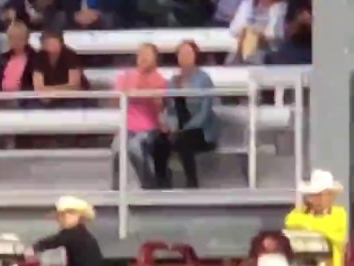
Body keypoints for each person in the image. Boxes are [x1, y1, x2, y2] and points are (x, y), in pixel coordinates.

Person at [151, 41, 219, 190]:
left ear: (196, 56)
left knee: (183, 140)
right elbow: (169, 108)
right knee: (158, 141)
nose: (185, 57)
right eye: (182, 53)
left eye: (189, 53)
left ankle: (192, 182)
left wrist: (185, 129)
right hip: (177, 127)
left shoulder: (204, 80)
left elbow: (205, 112)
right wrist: (167, 125)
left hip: (201, 130)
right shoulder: (173, 81)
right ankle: (161, 182)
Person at [24, 196, 106, 266]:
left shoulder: (76, 234)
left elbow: (56, 240)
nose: (63, 218)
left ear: (79, 217)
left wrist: (34, 248)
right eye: (61, 215)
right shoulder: (81, 235)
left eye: (69, 214)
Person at [115, 43, 167, 190]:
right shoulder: (124, 76)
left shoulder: (160, 80)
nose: (143, 57)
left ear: (155, 59)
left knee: (134, 146)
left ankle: (149, 185)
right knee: (116, 149)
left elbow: (159, 106)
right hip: (127, 127)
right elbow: (117, 101)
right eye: (141, 53)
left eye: (147, 54)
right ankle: (116, 191)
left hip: (149, 128)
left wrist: (143, 86)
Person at [285, 170, 349, 266]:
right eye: (315, 195)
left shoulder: (339, 213)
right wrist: (316, 226)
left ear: (332, 196)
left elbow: (335, 233)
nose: (319, 199)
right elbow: (289, 221)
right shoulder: (298, 213)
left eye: (323, 194)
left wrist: (307, 225)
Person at [32, 29, 86, 103]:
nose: (52, 47)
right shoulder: (39, 57)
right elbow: (38, 87)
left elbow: (74, 86)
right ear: (43, 45)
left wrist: (51, 91)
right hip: (47, 98)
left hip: (71, 97)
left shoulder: (70, 55)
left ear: (61, 43)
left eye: (54, 44)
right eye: (48, 44)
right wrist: (49, 93)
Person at [229, 0, 285, 64]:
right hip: (240, 54)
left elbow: (275, 35)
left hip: (267, 58)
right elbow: (234, 30)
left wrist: (259, 34)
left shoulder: (280, 8)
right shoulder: (248, 3)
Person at [0, 21, 35, 95]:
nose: (15, 41)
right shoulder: (3, 58)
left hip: (24, 100)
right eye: (12, 37)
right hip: (2, 100)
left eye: (18, 37)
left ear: (26, 38)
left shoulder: (34, 58)